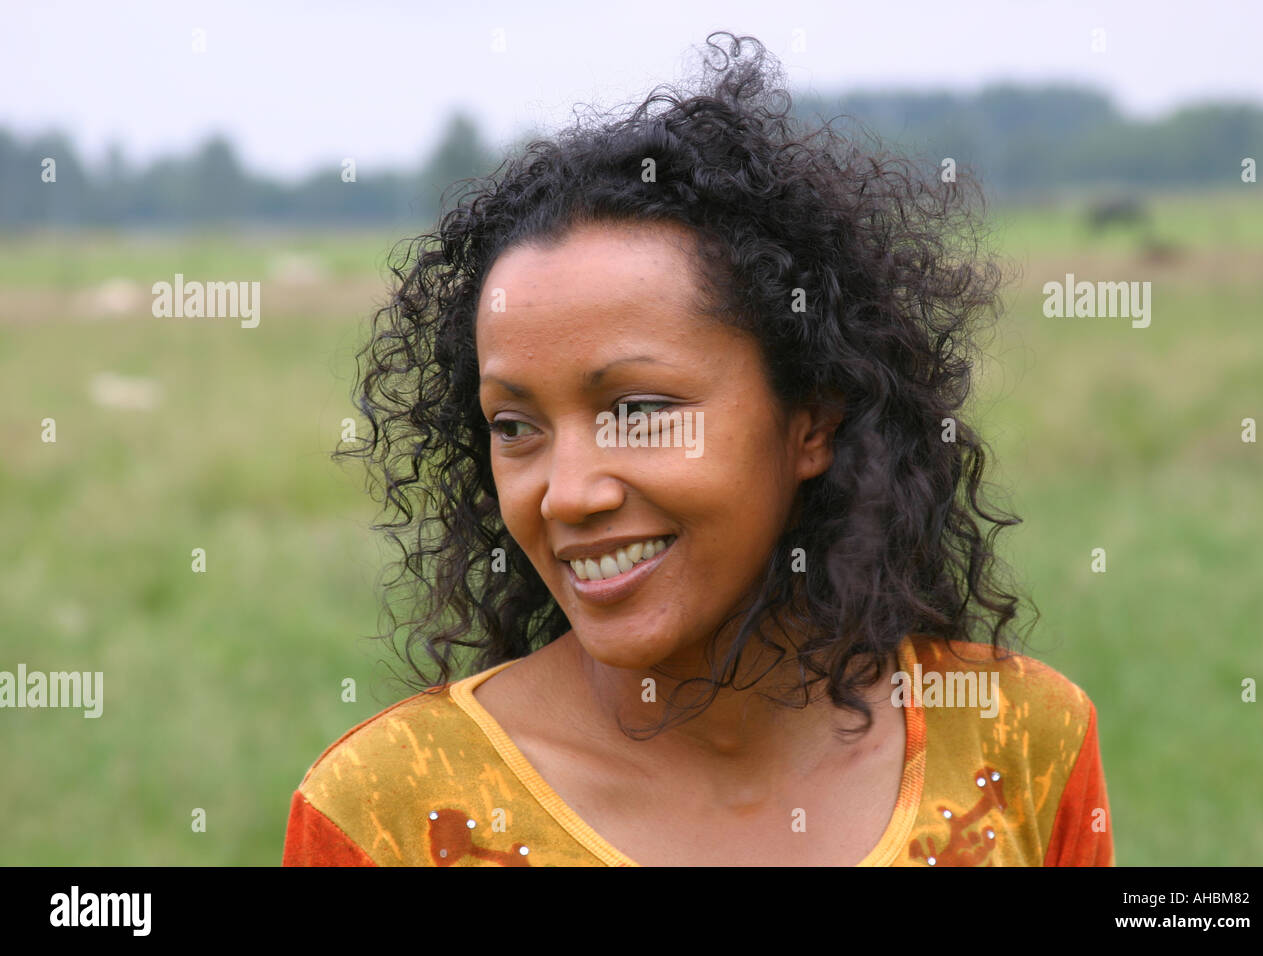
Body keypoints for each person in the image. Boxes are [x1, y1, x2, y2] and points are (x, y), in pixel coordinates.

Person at [282, 32, 1113, 867]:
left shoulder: (1019, 743)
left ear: (812, 422)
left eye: (639, 410)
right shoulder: (387, 812)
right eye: (515, 427)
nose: (567, 494)